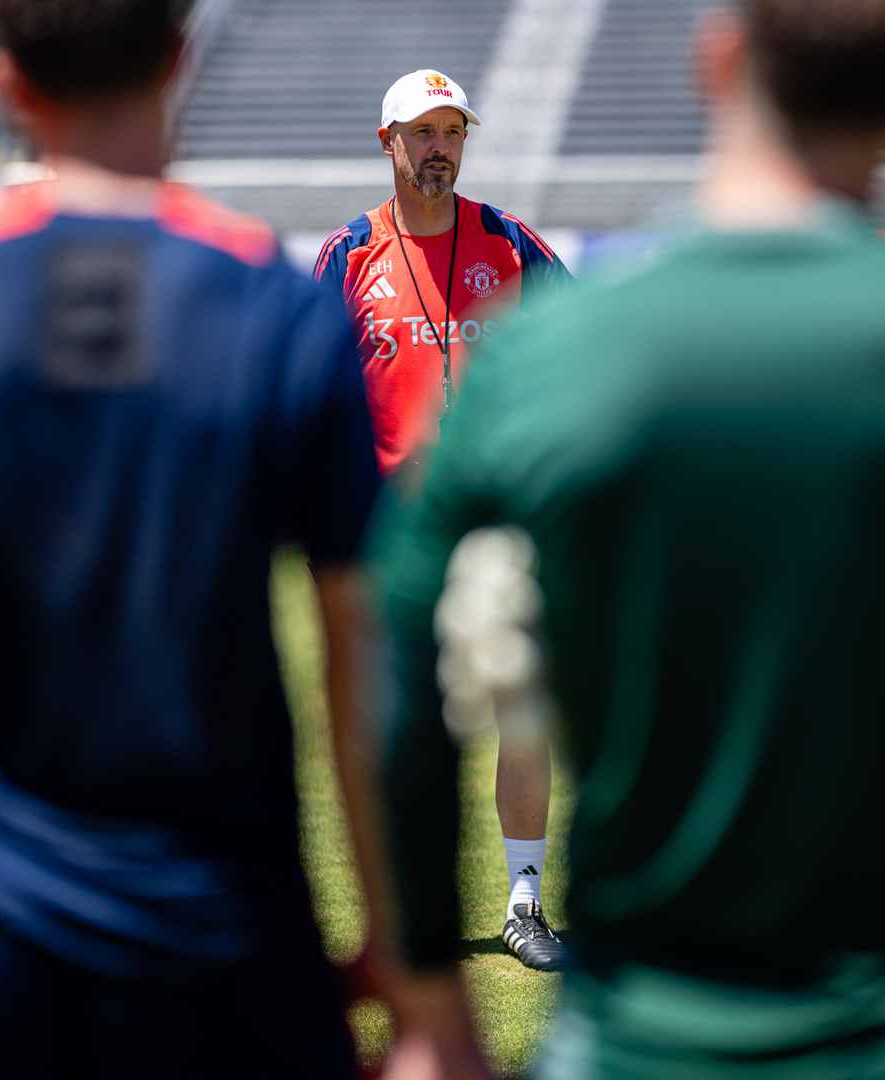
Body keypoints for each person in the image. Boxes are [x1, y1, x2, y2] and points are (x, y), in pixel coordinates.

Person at [371, 1, 885, 1077]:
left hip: (642, 1040)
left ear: (719, 62)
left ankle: (522, 898)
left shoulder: (552, 348)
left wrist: (432, 1003)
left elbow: (403, 700)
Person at [0, 2, 392, 1076]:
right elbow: (365, 648)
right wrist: (399, 935)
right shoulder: (278, 307)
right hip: (234, 941)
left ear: (5, 82)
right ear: (179, 61)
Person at [315, 68, 573, 974]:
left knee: (521, 711)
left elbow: (579, 355)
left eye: (453, 132)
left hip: (503, 526)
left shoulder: (511, 244)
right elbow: (316, 399)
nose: (439, 149)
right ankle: (402, 921)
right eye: (422, 132)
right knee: (398, 730)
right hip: (395, 538)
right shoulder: (350, 255)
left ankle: (524, 903)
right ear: (387, 141)